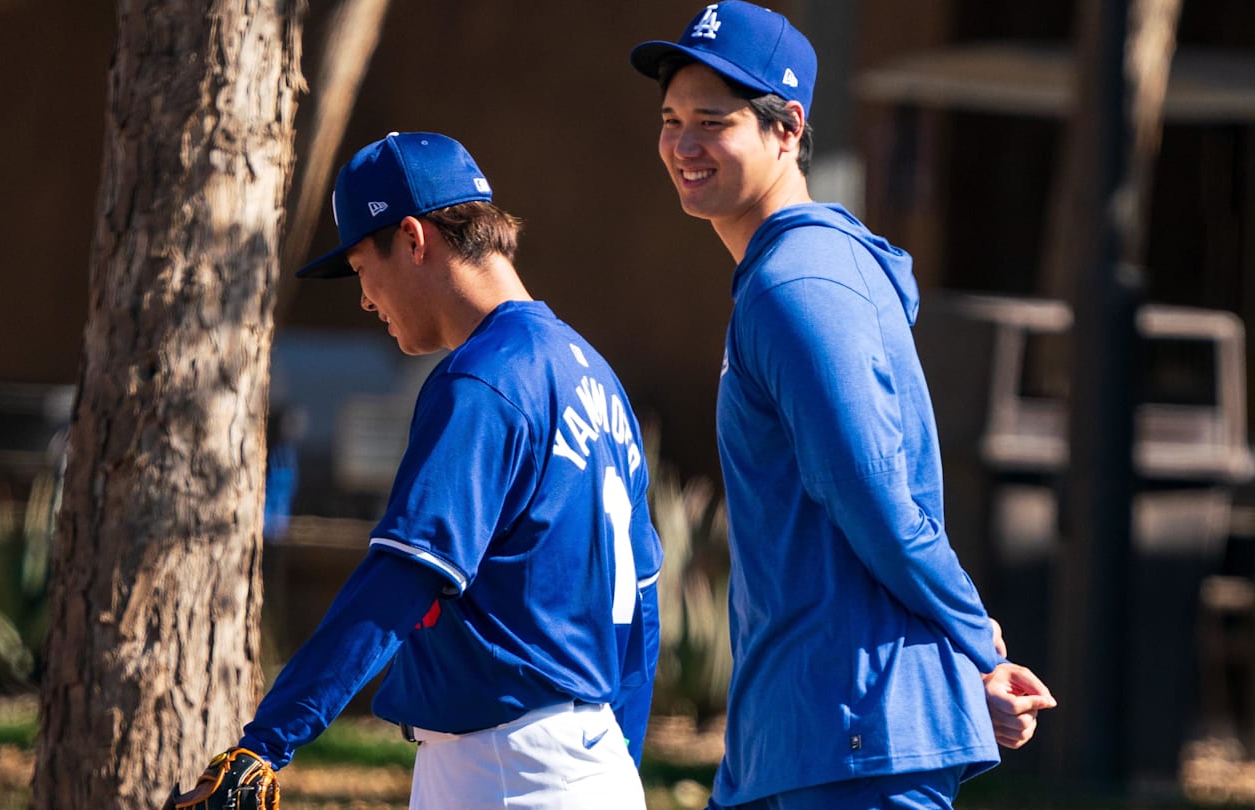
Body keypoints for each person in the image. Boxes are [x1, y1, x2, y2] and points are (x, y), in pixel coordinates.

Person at [628, 4, 1057, 808]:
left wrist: (974, 639)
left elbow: (869, 491)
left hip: (851, 742)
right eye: (671, 120)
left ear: (787, 129)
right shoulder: (791, 275)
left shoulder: (799, 286)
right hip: (801, 739)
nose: (683, 145)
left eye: (713, 122)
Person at [171, 131, 663, 810]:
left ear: (412, 237)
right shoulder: (593, 376)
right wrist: (620, 766)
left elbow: (404, 577)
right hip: (589, 764)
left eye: (361, 267)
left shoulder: (483, 379)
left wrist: (266, 742)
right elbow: (642, 605)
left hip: (506, 771)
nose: (365, 299)